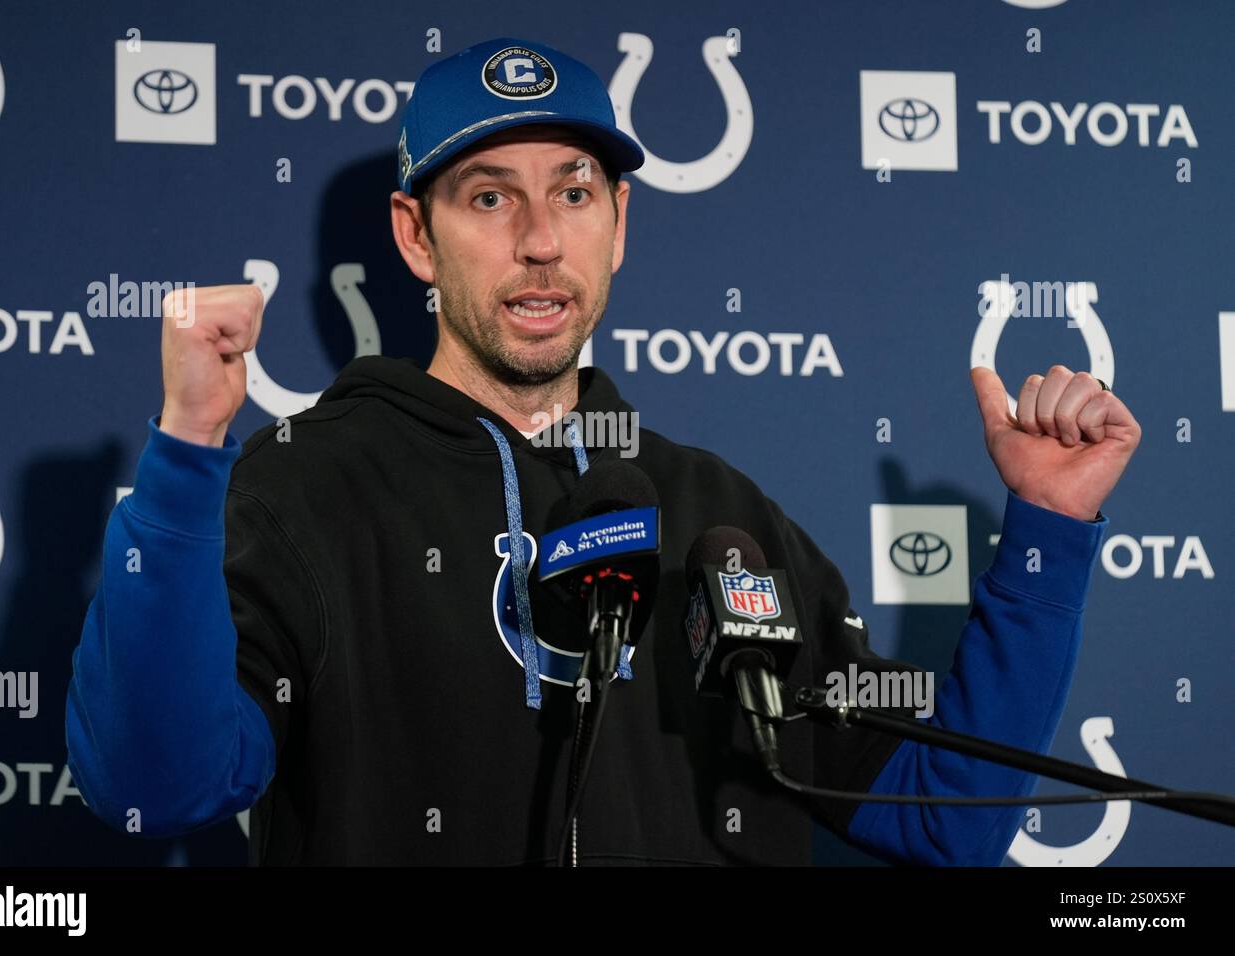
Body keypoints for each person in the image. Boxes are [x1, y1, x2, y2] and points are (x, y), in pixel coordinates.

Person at [66, 36, 1141, 865]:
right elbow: (152, 782)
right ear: (413, 236)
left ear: (617, 222)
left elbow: (943, 820)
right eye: (489, 196)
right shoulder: (305, 484)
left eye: (572, 191)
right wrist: (188, 450)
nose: (540, 239)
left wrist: (1045, 530)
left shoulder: (724, 515)